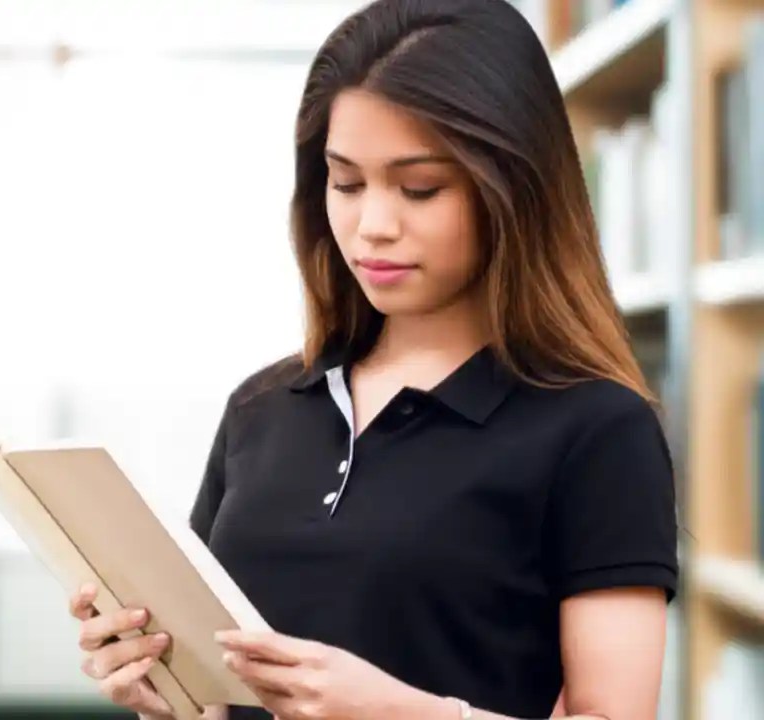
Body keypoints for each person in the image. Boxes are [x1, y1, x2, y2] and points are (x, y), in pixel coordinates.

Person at [67, 0, 679, 718]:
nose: (373, 226)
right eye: (346, 183)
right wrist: (155, 688)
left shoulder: (598, 429)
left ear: (513, 187)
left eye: (420, 188)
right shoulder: (261, 408)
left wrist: (403, 713)